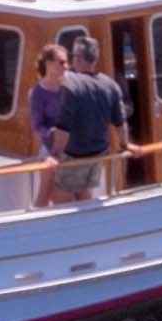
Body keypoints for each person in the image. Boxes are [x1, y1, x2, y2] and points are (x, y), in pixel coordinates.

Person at [28, 34, 129, 203]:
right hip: (54, 145)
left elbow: (68, 123)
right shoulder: (38, 92)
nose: (66, 66)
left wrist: (58, 152)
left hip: (70, 149)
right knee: (47, 193)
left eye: (68, 61)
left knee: (73, 194)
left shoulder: (71, 84)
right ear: (49, 64)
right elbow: (38, 125)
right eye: (62, 62)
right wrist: (51, 137)